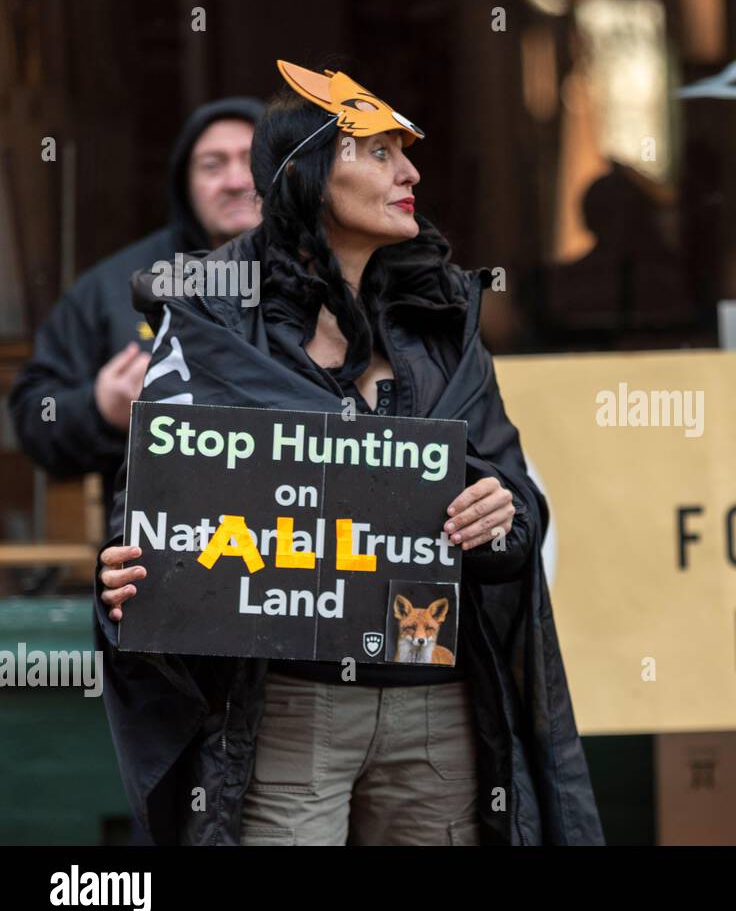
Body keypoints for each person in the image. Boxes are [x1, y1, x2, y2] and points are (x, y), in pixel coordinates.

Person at [92, 61, 603, 845]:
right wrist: (125, 575)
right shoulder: (214, 322)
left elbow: (513, 500)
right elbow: (158, 506)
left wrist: (501, 516)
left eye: (405, 151)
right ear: (307, 178)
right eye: (381, 152)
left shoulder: (444, 321)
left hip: (439, 708)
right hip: (292, 707)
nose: (411, 171)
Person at [9, 97, 264, 536]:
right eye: (212, 165)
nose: (236, 180)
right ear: (183, 183)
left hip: (299, 558)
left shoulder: (330, 278)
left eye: (252, 160)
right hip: (152, 565)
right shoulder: (114, 287)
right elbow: (35, 416)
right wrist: (100, 408)